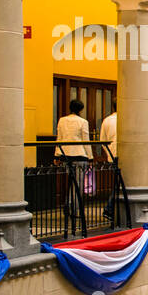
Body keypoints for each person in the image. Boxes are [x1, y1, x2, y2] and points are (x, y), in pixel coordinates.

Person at [56, 98, 92, 232]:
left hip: (66, 155)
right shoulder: (83, 122)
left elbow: (59, 137)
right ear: (81, 109)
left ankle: (68, 203)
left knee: (71, 182)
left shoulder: (62, 120)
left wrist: (57, 154)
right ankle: (73, 207)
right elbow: (86, 140)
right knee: (78, 184)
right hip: (79, 154)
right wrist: (91, 156)